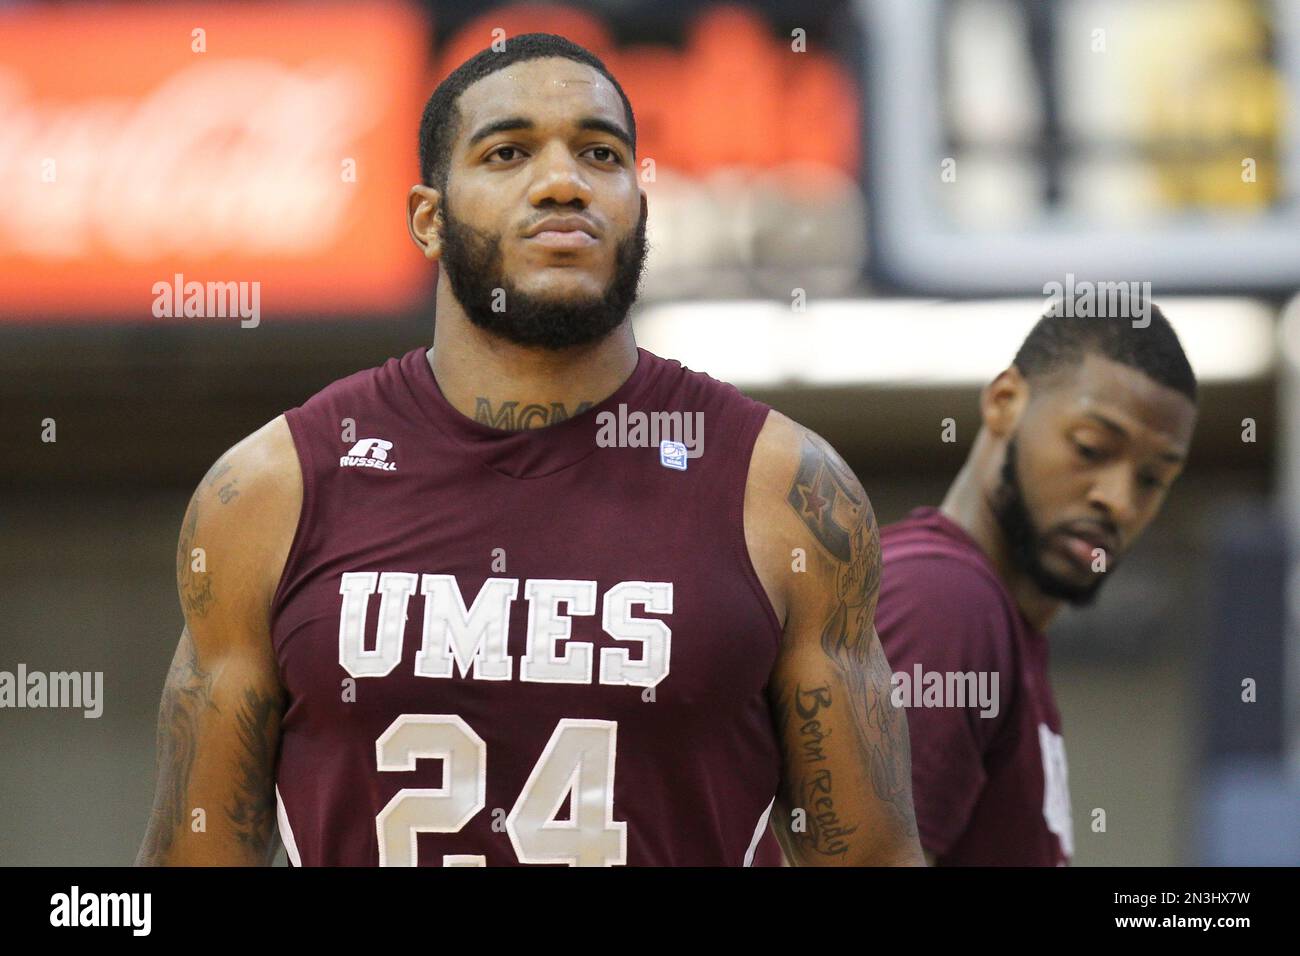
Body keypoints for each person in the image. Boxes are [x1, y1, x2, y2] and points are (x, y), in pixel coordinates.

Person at [135, 33, 922, 867]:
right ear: (428, 219)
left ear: (639, 209)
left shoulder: (785, 490)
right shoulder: (270, 491)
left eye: (601, 153)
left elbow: (871, 860)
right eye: (508, 153)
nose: (563, 182)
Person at [875, 303, 1198, 865]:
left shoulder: (1001, 627)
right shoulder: (945, 602)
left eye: (1153, 479)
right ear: (1005, 402)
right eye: (1092, 449)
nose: (1119, 501)